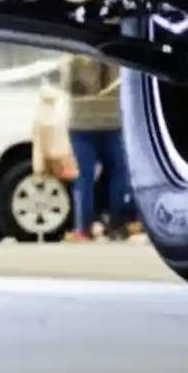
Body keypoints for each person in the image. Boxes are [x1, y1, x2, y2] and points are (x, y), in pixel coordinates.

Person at [60, 54, 130, 241]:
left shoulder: (73, 58)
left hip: (81, 124)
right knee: (119, 174)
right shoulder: (116, 57)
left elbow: (67, 86)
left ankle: (83, 228)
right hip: (113, 121)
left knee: (84, 177)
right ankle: (116, 224)